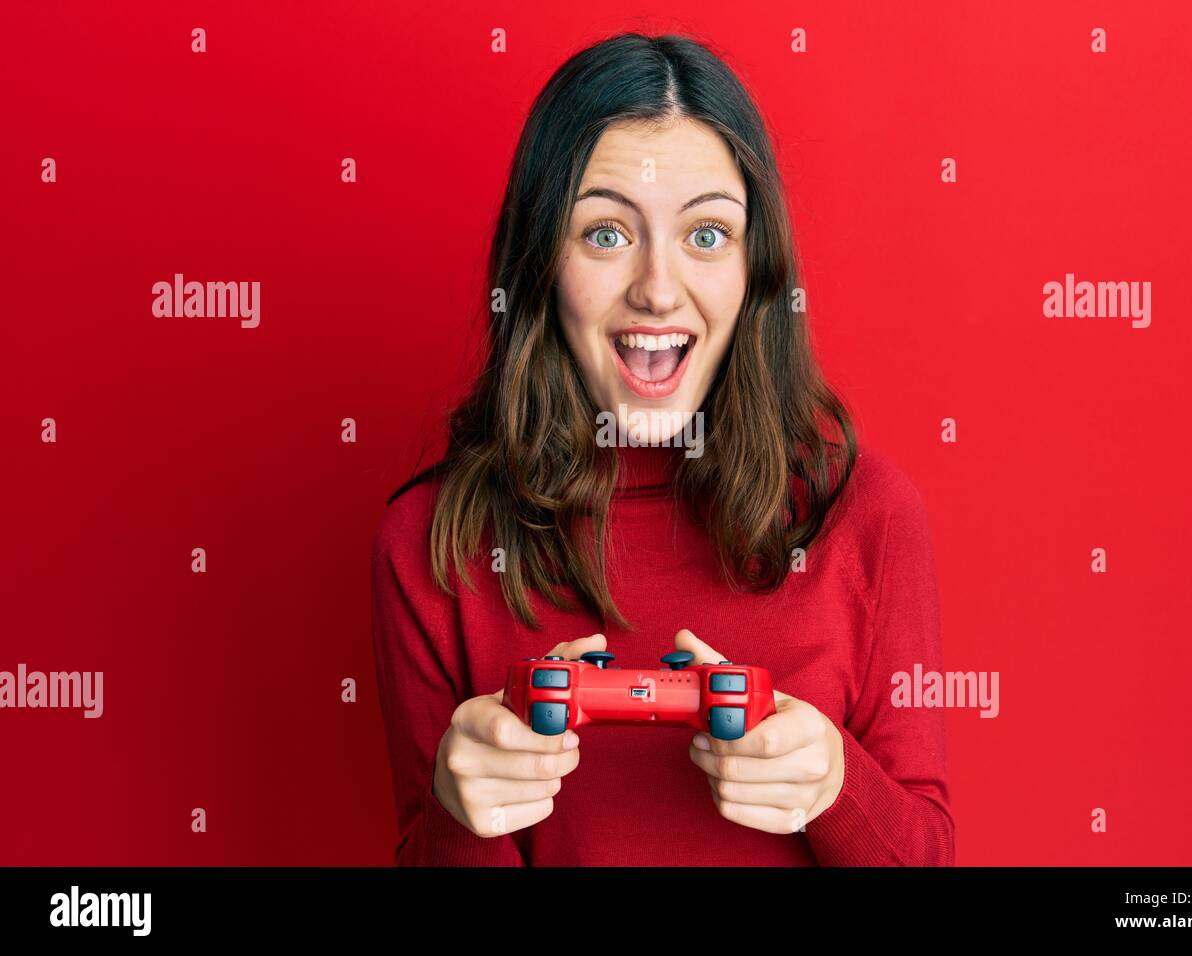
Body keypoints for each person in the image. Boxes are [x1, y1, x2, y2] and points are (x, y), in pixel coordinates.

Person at [370, 32, 954, 866]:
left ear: (756, 269)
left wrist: (833, 790)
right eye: (606, 234)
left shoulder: (869, 514)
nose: (657, 286)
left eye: (707, 235)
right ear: (540, 264)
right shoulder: (430, 544)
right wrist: (463, 816)